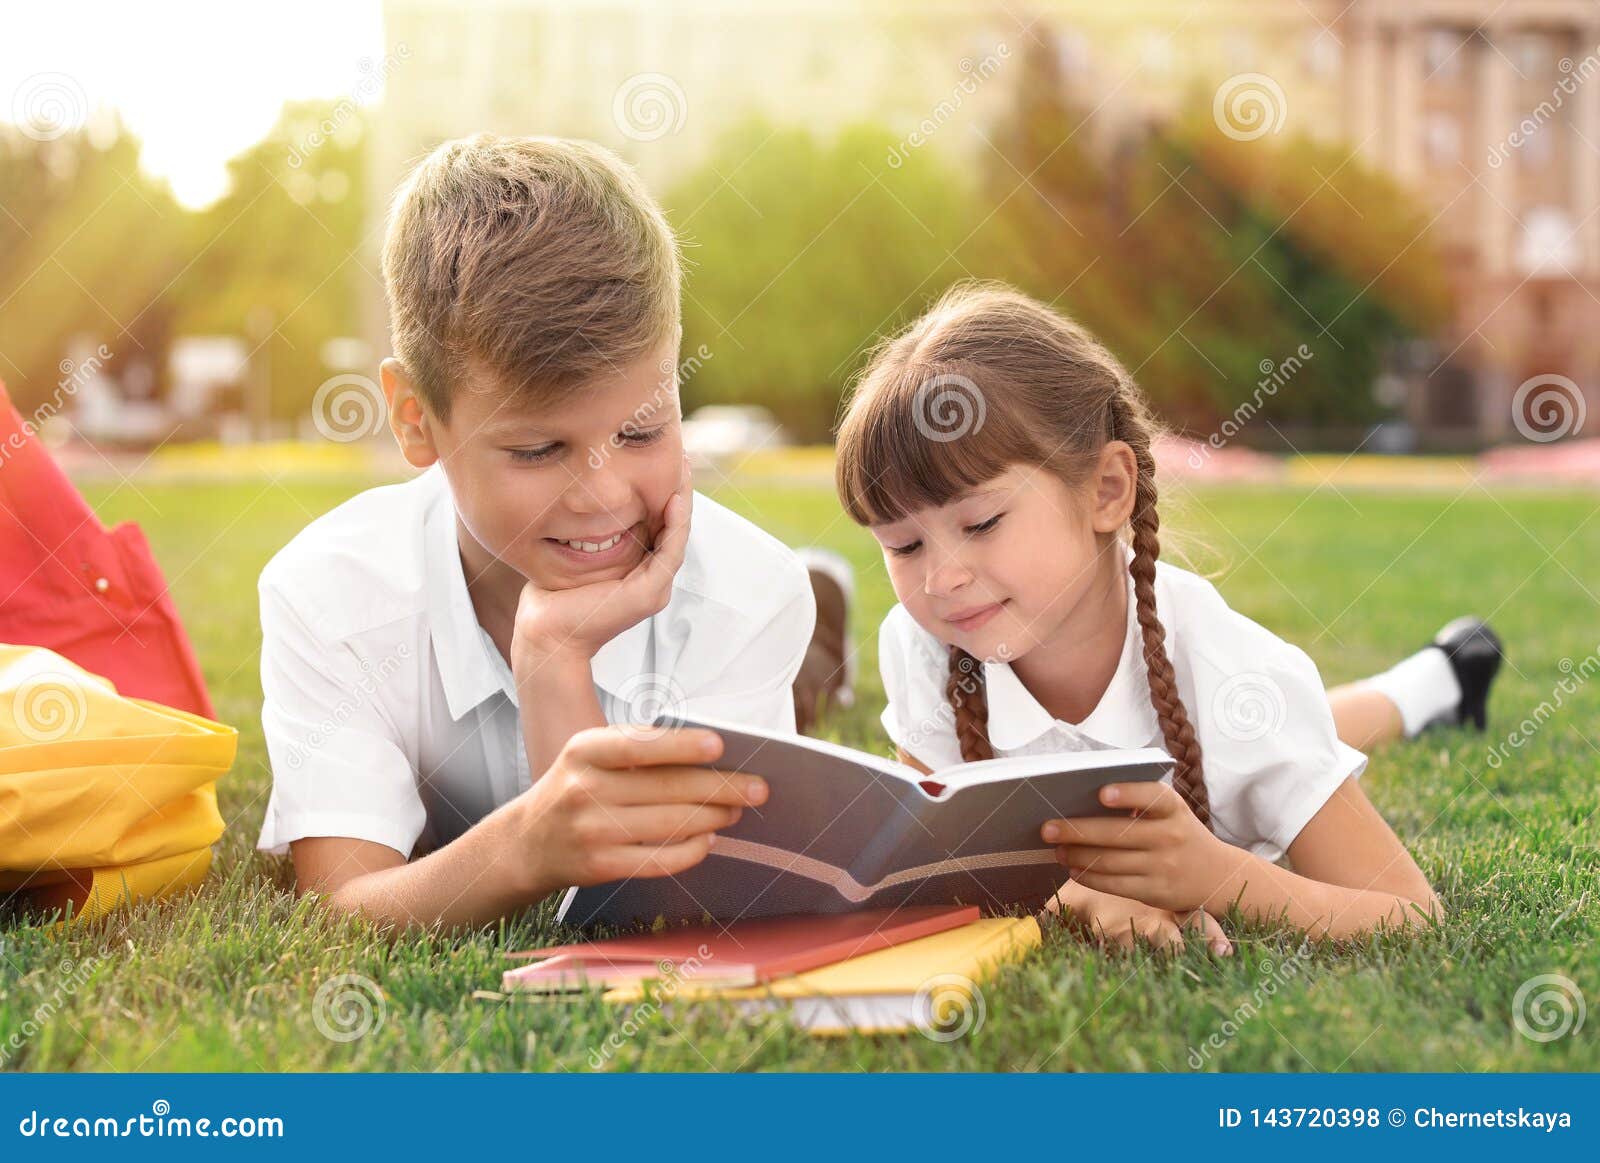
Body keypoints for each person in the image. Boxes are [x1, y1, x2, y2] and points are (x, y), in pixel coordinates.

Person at [257, 135, 849, 930]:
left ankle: (822, 623)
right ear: (415, 419)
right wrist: (526, 845)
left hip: (746, 627)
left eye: (640, 432)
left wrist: (552, 659)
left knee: (805, 693)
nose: (602, 497)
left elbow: (679, 909)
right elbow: (342, 907)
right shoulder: (328, 597)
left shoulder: (748, 594)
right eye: (538, 450)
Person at [833, 282, 1501, 951]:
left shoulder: (1236, 681)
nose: (941, 578)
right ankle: (1437, 673)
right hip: (1231, 721)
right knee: (1294, 727)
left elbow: (1412, 915)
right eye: (905, 545)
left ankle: (1434, 678)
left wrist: (1218, 875)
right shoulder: (927, 643)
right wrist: (1079, 898)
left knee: (1283, 729)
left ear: (1106, 490)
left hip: (1244, 712)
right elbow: (939, 856)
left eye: (981, 523)